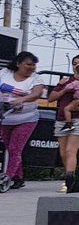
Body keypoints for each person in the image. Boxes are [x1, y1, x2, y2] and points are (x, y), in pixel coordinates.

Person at [48, 55, 79, 192]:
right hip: (62, 119)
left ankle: (69, 181)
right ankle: (73, 178)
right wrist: (61, 86)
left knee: (71, 150)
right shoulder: (67, 81)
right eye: (74, 63)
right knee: (63, 153)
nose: (76, 66)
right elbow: (51, 98)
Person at [0, 52, 45, 190]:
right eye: (28, 64)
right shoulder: (5, 73)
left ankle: (7, 177)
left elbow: (36, 94)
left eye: (34, 65)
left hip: (26, 118)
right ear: (18, 63)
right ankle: (18, 177)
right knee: (10, 148)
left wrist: (22, 99)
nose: (32, 67)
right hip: (5, 117)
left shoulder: (36, 78)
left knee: (15, 148)